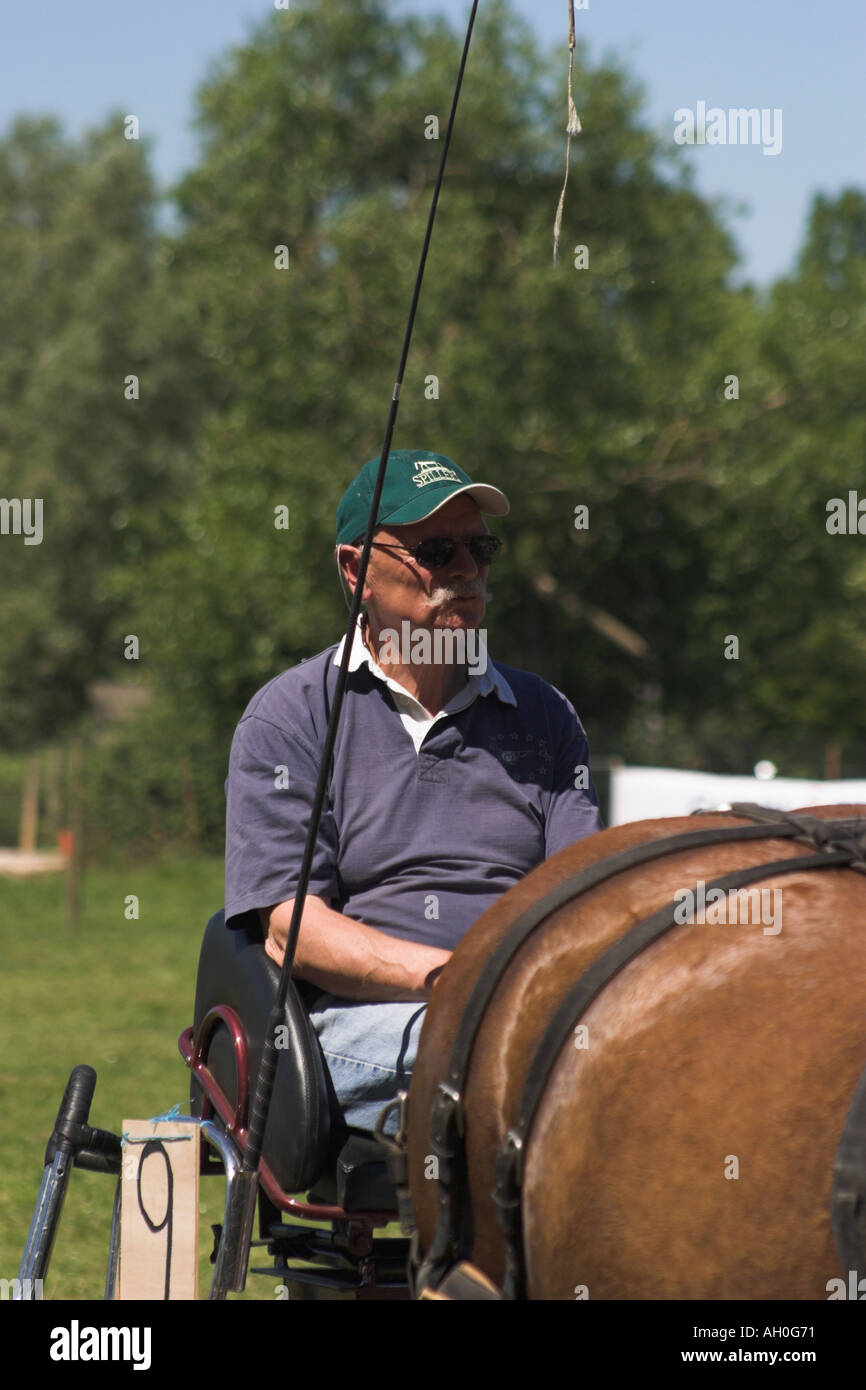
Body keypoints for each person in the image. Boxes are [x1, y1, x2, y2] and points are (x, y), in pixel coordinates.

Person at [225, 449, 602, 1132]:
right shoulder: (291, 715)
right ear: (354, 570)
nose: (465, 569)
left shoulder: (546, 714)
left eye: (479, 548)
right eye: (436, 549)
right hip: (357, 1023)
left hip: (524, 1006)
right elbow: (290, 931)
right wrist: (459, 979)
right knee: (502, 1059)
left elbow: (581, 894)